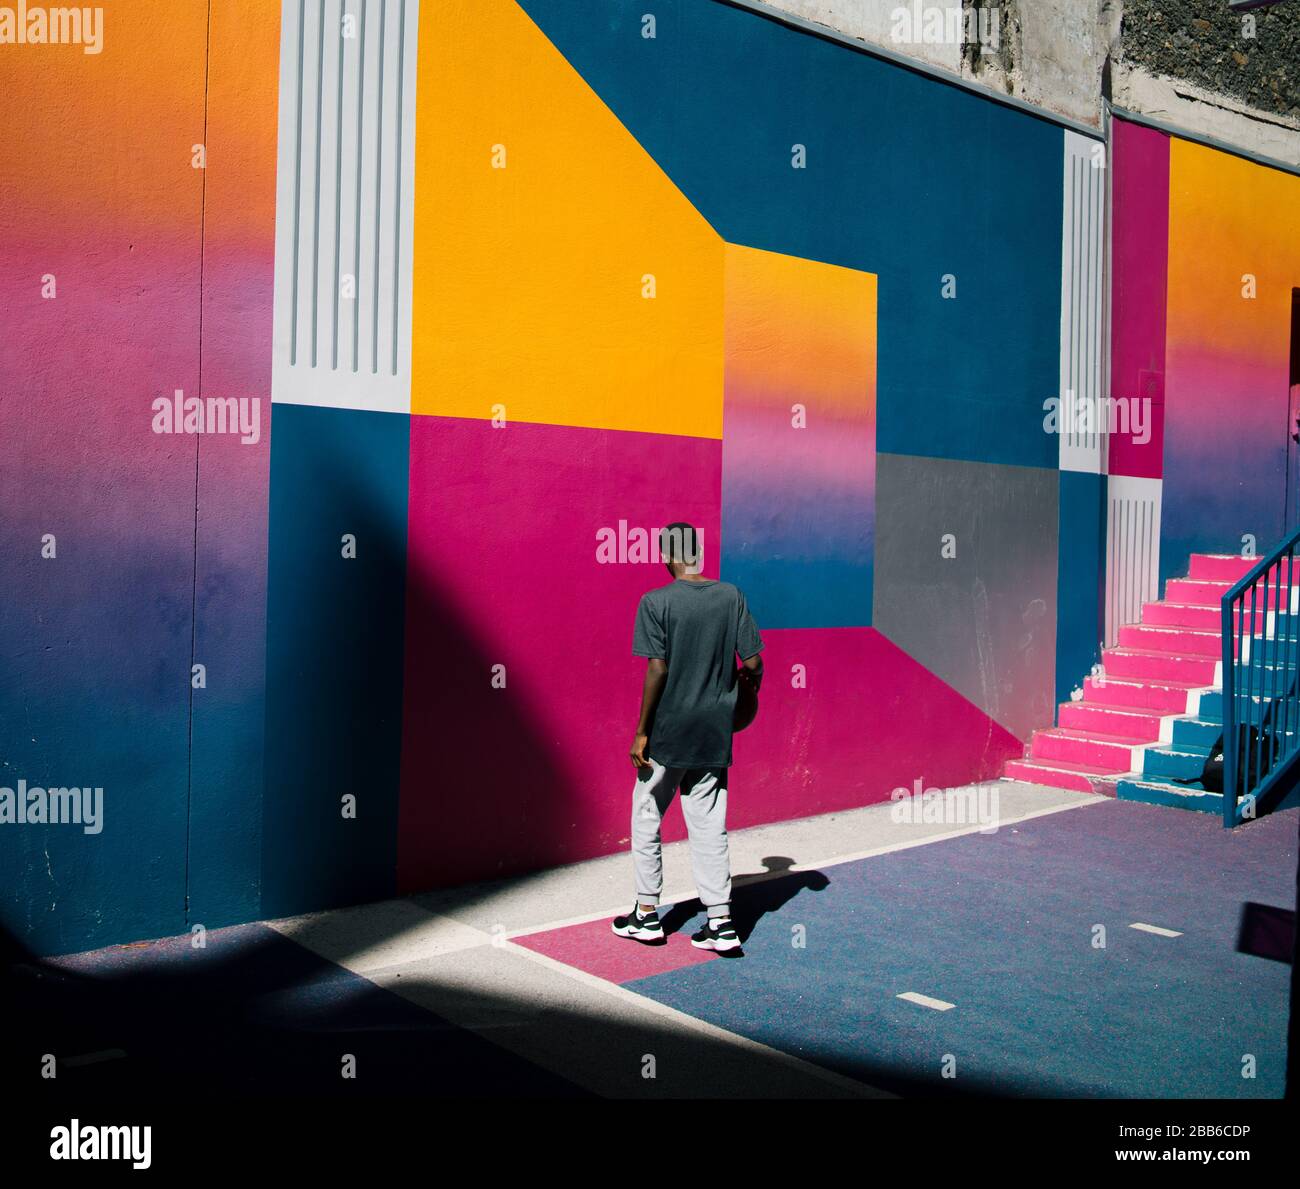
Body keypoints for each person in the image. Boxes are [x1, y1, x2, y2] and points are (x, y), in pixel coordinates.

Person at [611, 523, 764, 953]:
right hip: (713, 733)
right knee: (710, 825)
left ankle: (646, 916)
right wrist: (743, 696)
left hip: (669, 732)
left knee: (646, 817)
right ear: (697, 553)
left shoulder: (655, 601)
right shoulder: (730, 596)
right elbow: (752, 663)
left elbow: (657, 668)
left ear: (666, 556)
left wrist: (641, 731)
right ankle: (721, 922)